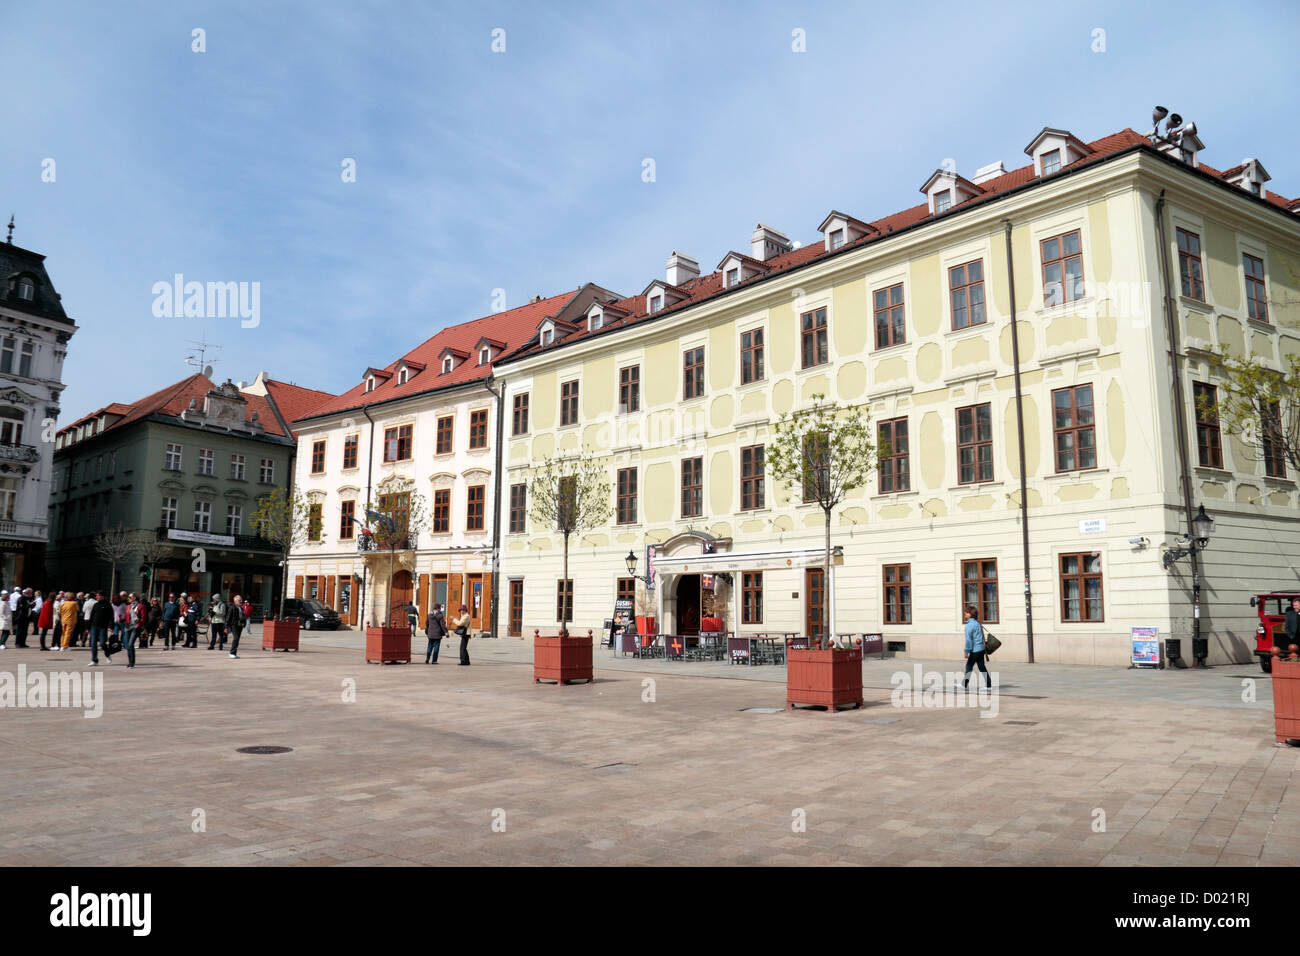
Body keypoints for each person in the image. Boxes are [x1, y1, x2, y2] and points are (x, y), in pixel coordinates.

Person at [962, 604, 991, 691]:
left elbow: (968, 640)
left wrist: (966, 651)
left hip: (975, 650)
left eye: (966, 612)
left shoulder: (969, 625)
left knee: (969, 666)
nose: (965, 613)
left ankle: (964, 684)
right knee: (982, 667)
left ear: (970, 614)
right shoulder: (977, 623)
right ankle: (989, 685)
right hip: (981, 649)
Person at [89, 591, 114, 665]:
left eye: (98, 595)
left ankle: (108, 654)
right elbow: (92, 616)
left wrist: (111, 626)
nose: (96, 597)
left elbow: (111, 617)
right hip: (94, 626)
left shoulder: (108, 605)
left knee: (102, 643)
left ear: (103, 596)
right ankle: (94, 660)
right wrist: (88, 627)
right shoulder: (95, 605)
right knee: (93, 643)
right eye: (96, 596)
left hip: (103, 627)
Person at [123, 593, 146, 669]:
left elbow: (143, 618)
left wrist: (138, 625)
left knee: (130, 644)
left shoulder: (141, 606)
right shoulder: (127, 606)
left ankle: (132, 663)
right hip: (127, 627)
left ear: (134, 598)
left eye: (130, 597)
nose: (128, 598)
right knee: (128, 646)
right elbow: (126, 616)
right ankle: (130, 662)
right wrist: (120, 619)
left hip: (135, 627)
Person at [228, 594, 244, 659]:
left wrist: (244, 623)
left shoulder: (241, 608)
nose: (241, 601)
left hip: (240, 625)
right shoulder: (232, 607)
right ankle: (231, 652)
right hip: (233, 625)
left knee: (237, 639)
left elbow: (243, 616)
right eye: (239, 600)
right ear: (235, 601)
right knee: (236, 638)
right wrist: (227, 626)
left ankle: (234, 653)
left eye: (241, 600)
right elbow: (228, 617)